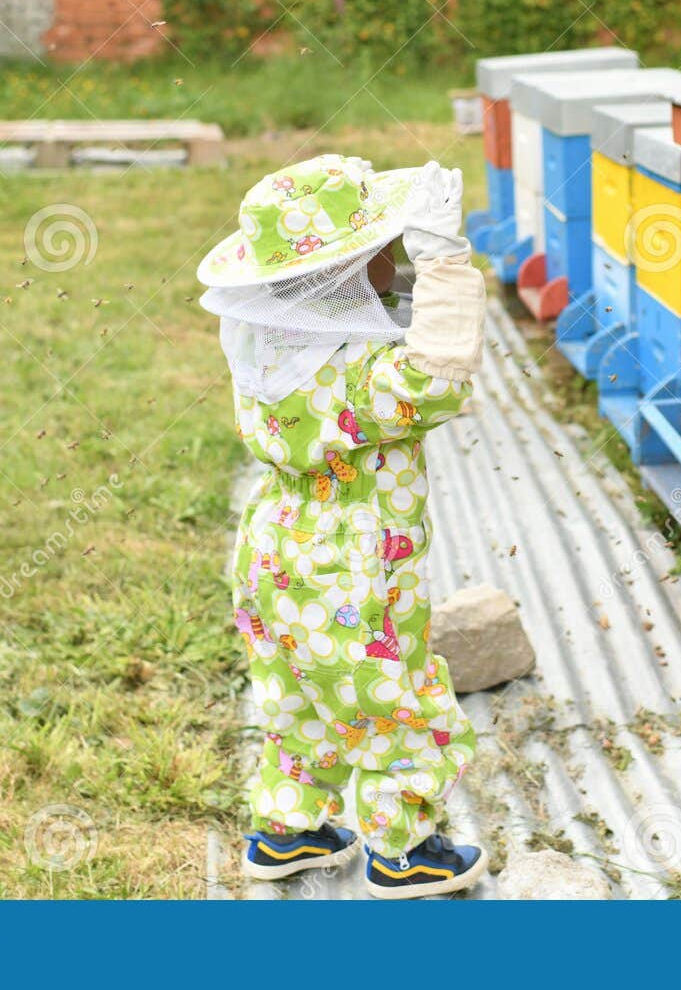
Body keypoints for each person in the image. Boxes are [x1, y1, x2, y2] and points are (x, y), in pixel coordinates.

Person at [198, 154, 490, 897]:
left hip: (272, 553)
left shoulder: (269, 354)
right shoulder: (359, 379)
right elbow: (440, 375)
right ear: (346, 274)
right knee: (389, 695)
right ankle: (404, 848)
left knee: (295, 693)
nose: (396, 257)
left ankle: (287, 830)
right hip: (355, 571)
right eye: (383, 248)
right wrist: (447, 261)